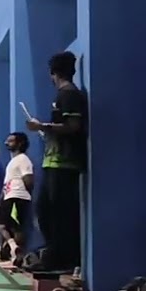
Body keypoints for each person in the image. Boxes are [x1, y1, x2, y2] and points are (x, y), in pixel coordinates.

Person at [25, 51, 88, 274]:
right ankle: (54, 254)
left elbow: (73, 127)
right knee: (44, 211)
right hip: (53, 162)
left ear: (53, 73)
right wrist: (46, 131)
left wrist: (41, 126)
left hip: (65, 164)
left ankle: (64, 260)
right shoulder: (62, 95)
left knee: (60, 215)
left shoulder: (69, 95)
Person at [0, 132, 34, 265]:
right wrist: (0, 200)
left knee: (16, 228)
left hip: (18, 197)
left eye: (11, 141)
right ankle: (13, 249)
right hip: (9, 196)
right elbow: (7, 183)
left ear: (20, 144)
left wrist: (24, 195)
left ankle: (17, 257)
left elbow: (29, 180)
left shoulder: (23, 159)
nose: (6, 143)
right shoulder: (13, 161)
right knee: (3, 225)